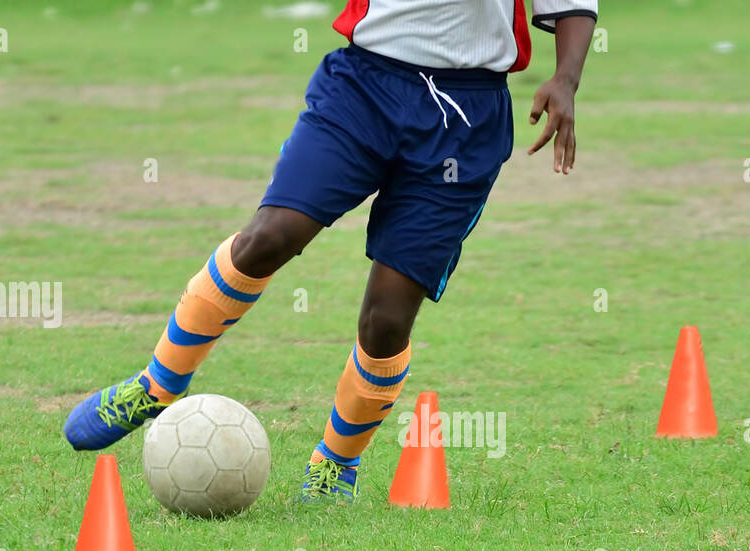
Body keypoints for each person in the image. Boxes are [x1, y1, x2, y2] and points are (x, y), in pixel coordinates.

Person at [63, 1, 598, 500]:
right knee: (268, 237)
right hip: (364, 88)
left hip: (465, 116)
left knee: (386, 320)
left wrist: (566, 79)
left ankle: (335, 465)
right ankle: (156, 386)